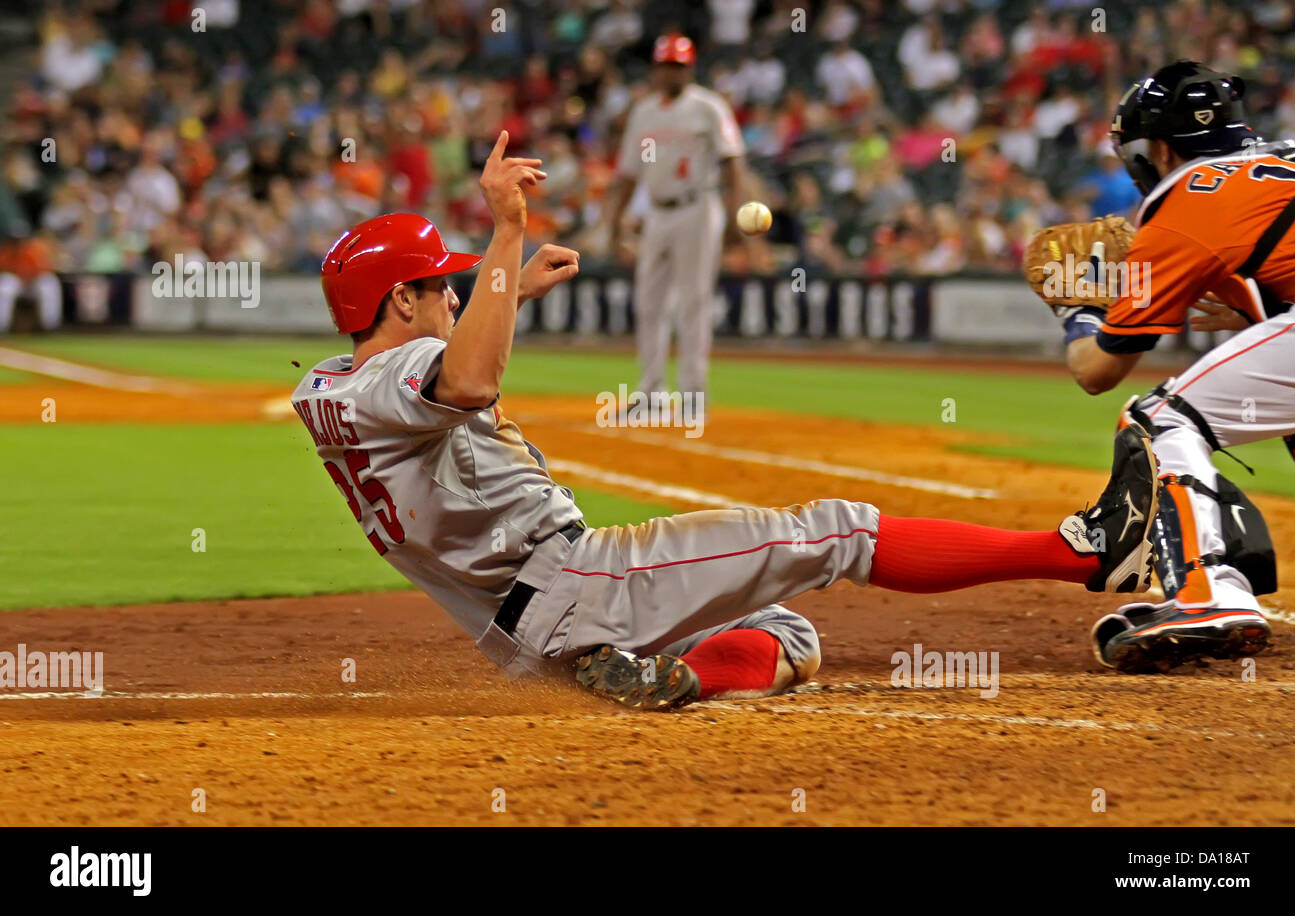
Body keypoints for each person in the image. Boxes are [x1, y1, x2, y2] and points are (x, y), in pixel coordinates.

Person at [292, 131, 1160, 710]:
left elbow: (431, 378)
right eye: (440, 283)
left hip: (523, 629)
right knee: (831, 533)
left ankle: (660, 679)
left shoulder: (331, 390)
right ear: (400, 300)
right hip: (574, 583)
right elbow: (469, 381)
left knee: (787, 631)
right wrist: (508, 231)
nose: (455, 289)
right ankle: (1079, 550)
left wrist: (502, 287)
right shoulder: (408, 369)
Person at [1056, 61, 1291, 672]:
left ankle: (1206, 593)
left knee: (1161, 416)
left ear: (1160, 147)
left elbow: (1098, 371)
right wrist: (1256, 315)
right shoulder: (1282, 160)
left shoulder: (1187, 197)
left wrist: (1078, 307)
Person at [606, 34, 747, 424]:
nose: (673, 71)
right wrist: (617, 224)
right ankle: (650, 392)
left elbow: (733, 163)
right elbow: (627, 175)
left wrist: (736, 214)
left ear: (690, 68)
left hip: (697, 207)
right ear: (656, 69)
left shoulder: (707, 107)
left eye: (680, 65)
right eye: (668, 64)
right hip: (657, 211)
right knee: (649, 302)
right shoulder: (645, 112)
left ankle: (693, 397)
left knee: (693, 302)